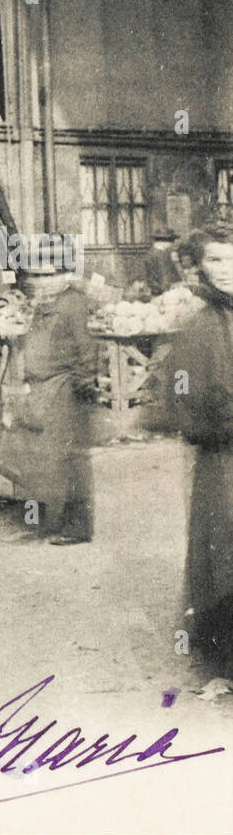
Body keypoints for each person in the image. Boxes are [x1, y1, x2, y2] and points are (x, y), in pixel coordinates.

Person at [167, 222, 233, 683]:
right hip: (224, 460)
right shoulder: (201, 325)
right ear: (200, 266)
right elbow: (181, 397)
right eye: (214, 260)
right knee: (223, 554)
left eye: (232, 258)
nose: (225, 270)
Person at [5, 259, 97, 545]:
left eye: (49, 276)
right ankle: (49, 522)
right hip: (44, 389)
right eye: (38, 276)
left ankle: (76, 528)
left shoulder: (73, 304)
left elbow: (87, 350)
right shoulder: (46, 303)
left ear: (66, 276)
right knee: (48, 460)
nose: (42, 281)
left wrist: (81, 388)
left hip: (64, 388)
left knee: (69, 460)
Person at [141, 228, 183, 298]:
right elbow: (163, 277)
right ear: (165, 241)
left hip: (163, 290)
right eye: (172, 241)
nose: (173, 244)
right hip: (160, 292)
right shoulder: (158, 254)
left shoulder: (156, 253)